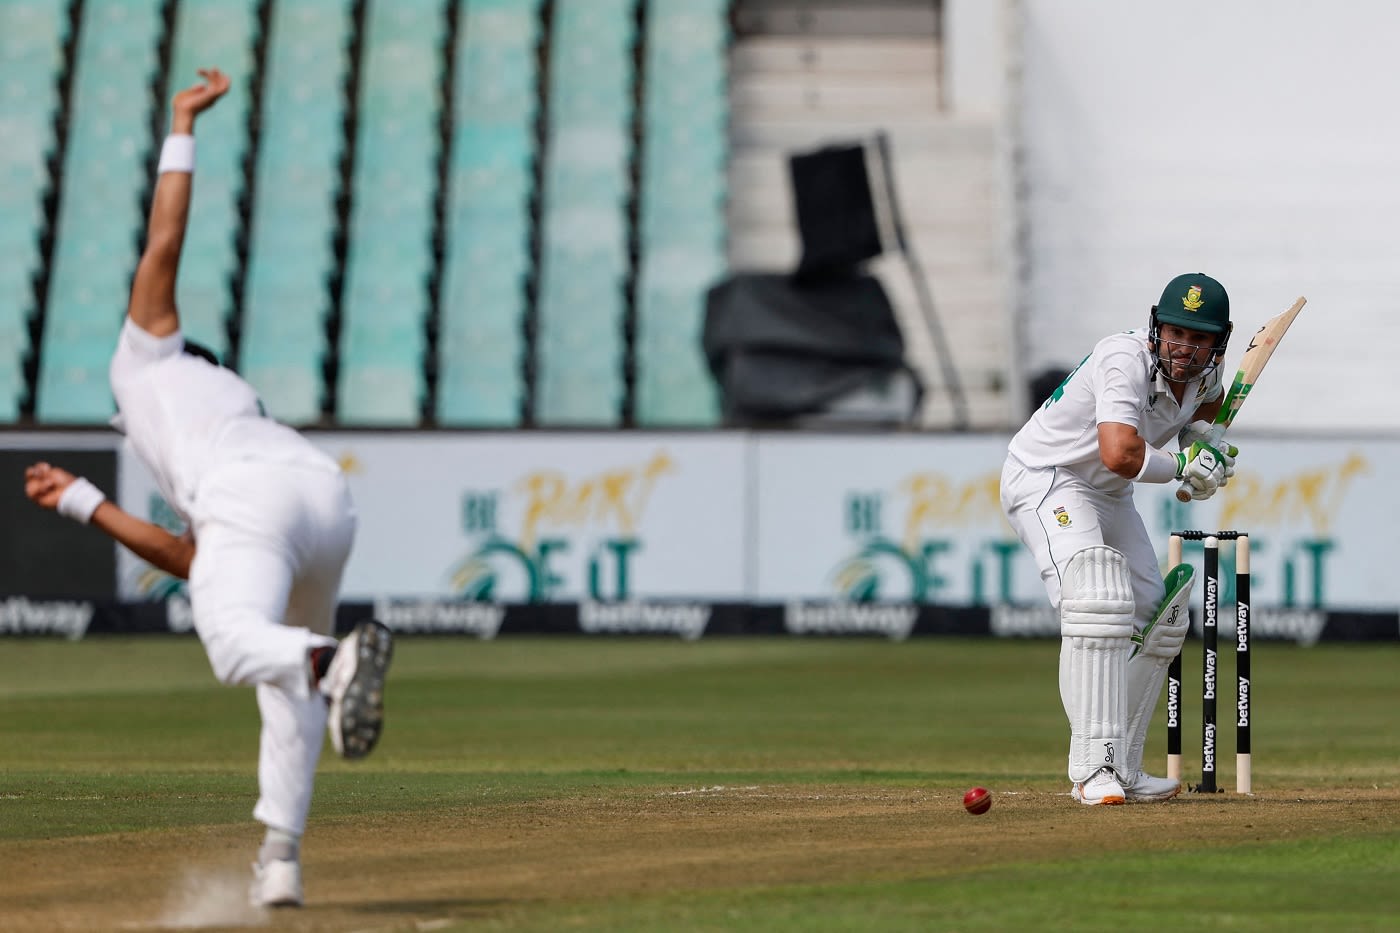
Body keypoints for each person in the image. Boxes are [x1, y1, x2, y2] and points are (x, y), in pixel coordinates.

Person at [22, 68, 393, 906]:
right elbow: (194, 556)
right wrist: (85, 501)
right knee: (282, 677)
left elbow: (165, 241)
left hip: (255, 499)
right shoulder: (229, 405)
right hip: (323, 497)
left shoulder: (146, 358)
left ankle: (336, 664)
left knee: (239, 647)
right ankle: (282, 861)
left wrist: (182, 125)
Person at [1000, 272, 1238, 806]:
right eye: (1176, 333)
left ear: (1216, 341)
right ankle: (1092, 769)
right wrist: (1182, 465)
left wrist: (1205, 448)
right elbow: (1120, 454)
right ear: (1157, 326)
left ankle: (1125, 768)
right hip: (1049, 477)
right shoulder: (1122, 358)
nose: (1185, 348)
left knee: (1159, 616)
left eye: (1198, 338)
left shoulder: (1209, 374)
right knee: (1096, 600)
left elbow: (1204, 413)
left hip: (1107, 496)